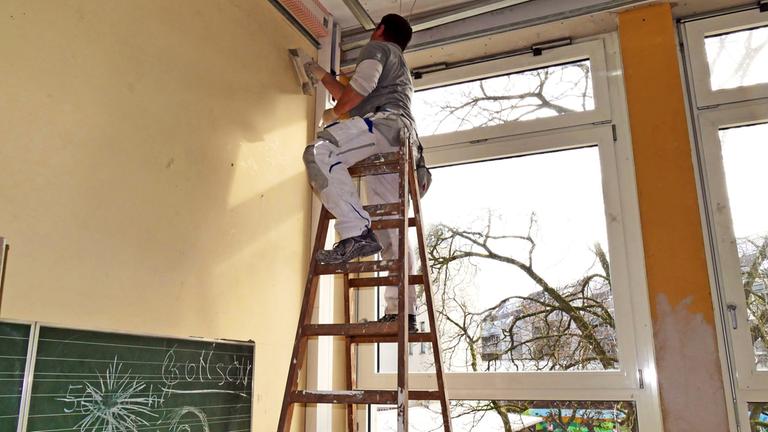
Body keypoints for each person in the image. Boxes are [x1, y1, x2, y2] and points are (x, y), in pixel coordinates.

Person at [302, 14, 425, 332]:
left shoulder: (380, 50)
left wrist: (333, 113)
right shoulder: (397, 70)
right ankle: (403, 311)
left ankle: (355, 231)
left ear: (380, 30)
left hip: (384, 125)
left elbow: (356, 90)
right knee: (392, 230)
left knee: (319, 152)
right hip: (399, 141)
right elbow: (352, 96)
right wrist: (319, 75)